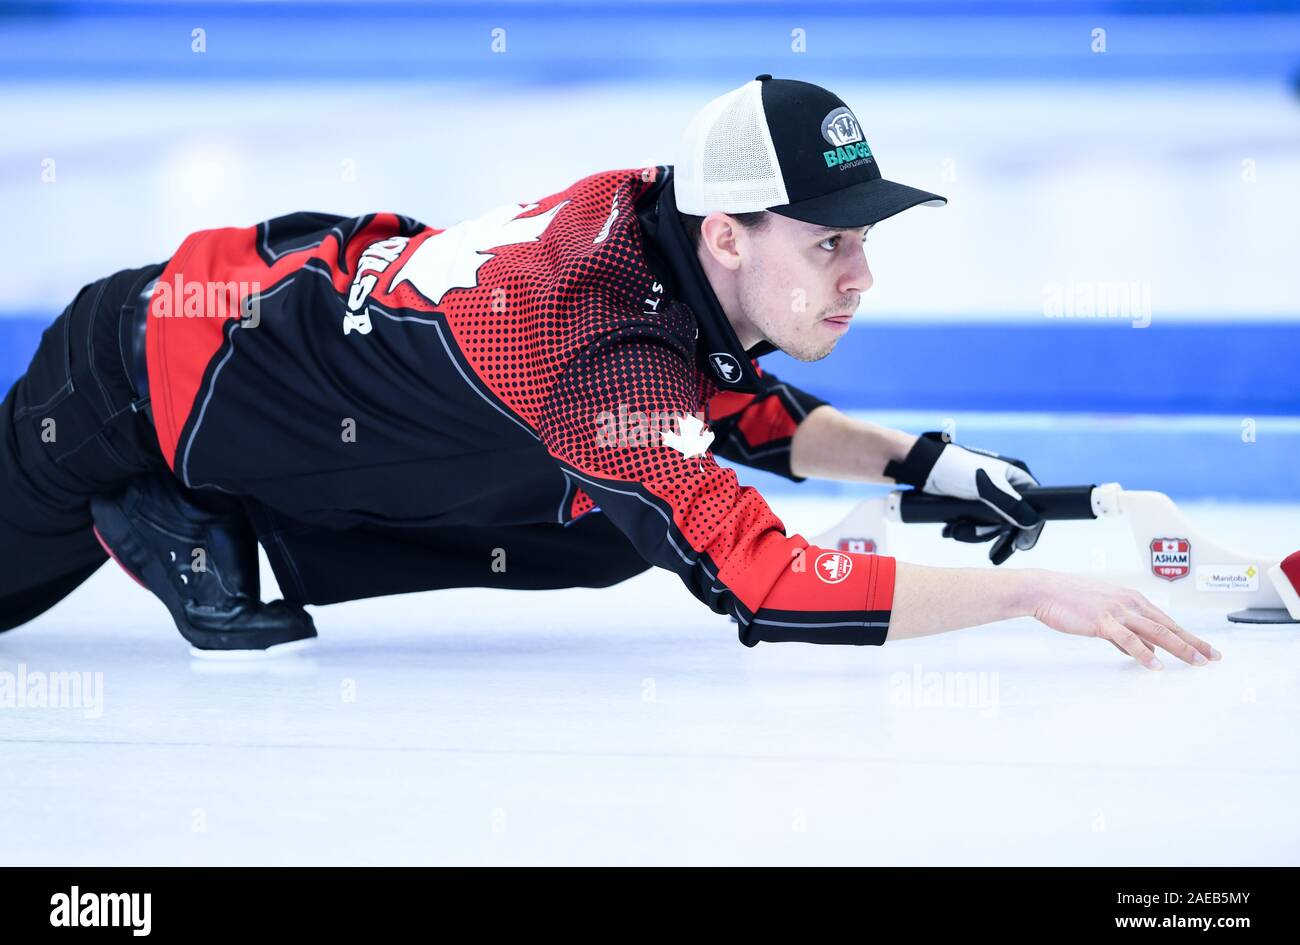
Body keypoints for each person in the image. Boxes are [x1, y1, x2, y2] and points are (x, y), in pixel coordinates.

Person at [0, 75, 1218, 668]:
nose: (859, 275)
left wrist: (923, 459)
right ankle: (190, 510)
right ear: (731, 235)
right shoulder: (594, 354)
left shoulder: (653, 218)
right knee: (616, 510)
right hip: (130, 379)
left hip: (251, 337)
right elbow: (769, 586)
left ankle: (217, 510)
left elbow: (724, 406)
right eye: (830, 241)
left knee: (608, 508)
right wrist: (1028, 597)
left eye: (862, 238)